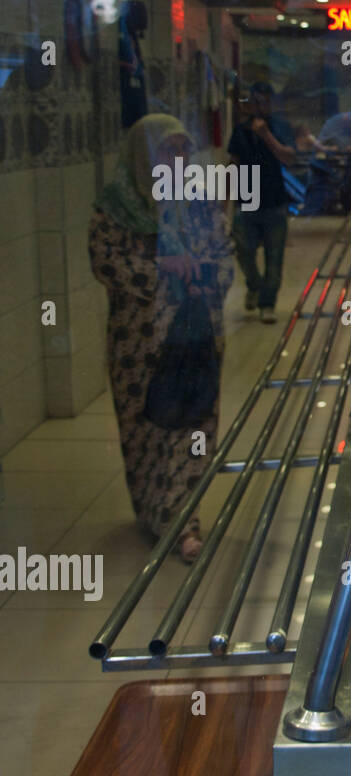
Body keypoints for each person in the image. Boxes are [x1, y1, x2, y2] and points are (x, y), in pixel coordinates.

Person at [89, 115, 233, 563]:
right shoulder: (116, 207)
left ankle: (180, 519)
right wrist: (160, 270)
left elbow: (225, 254)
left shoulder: (199, 201)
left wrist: (203, 273)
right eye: (168, 152)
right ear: (144, 156)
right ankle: (155, 512)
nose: (179, 160)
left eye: (183, 151)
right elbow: (105, 263)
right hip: (140, 346)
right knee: (146, 430)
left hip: (196, 334)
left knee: (191, 426)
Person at [227, 81, 297, 322]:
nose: (261, 106)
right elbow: (233, 165)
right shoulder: (240, 130)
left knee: (274, 258)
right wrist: (226, 203)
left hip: (274, 201)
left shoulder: (280, 127)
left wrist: (267, 136)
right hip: (246, 201)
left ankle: (268, 303)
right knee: (243, 252)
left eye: (266, 101)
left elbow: (288, 158)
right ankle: (254, 285)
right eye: (257, 101)